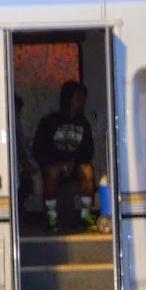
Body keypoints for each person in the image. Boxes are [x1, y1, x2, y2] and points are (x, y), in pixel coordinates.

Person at [32, 80, 96, 231]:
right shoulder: (49, 121)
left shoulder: (83, 124)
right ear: (68, 97)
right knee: (53, 171)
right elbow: (38, 149)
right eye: (78, 96)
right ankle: (51, 216)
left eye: (83, 97)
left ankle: (85, 215)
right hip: (53, 166)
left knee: (87, 170)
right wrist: (58, 163)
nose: (81, 100)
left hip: (74, 166)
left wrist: (75, 162)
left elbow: (88, 150)